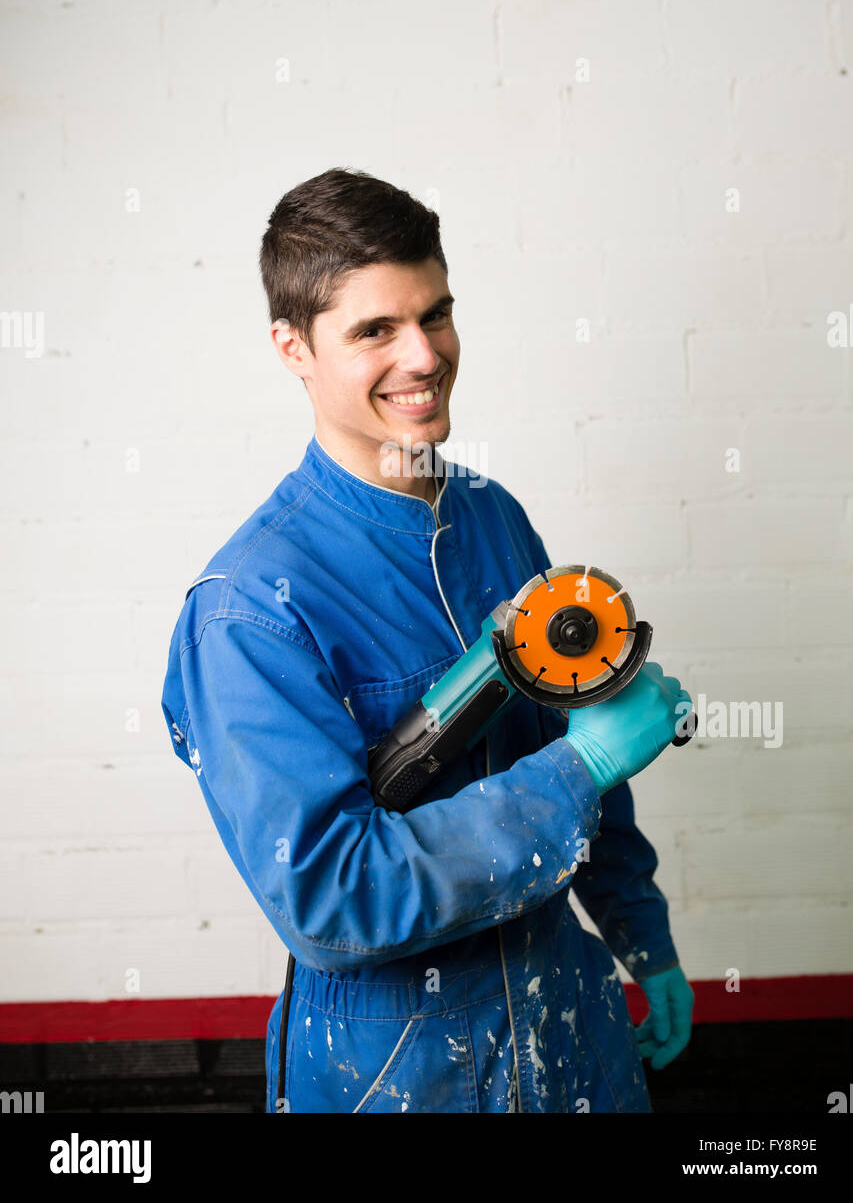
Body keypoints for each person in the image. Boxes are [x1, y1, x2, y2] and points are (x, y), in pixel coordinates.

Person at [161, 166, 695, 1114]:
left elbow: (578, 742)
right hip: (403, 1074)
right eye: (374, 330)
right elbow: (334, 899)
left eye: (435, 314)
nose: (423, 355)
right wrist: (579, 771)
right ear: (292, 347)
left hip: (570, 1037)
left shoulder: (497, 523)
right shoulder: (248, 609)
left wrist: (639, 936)